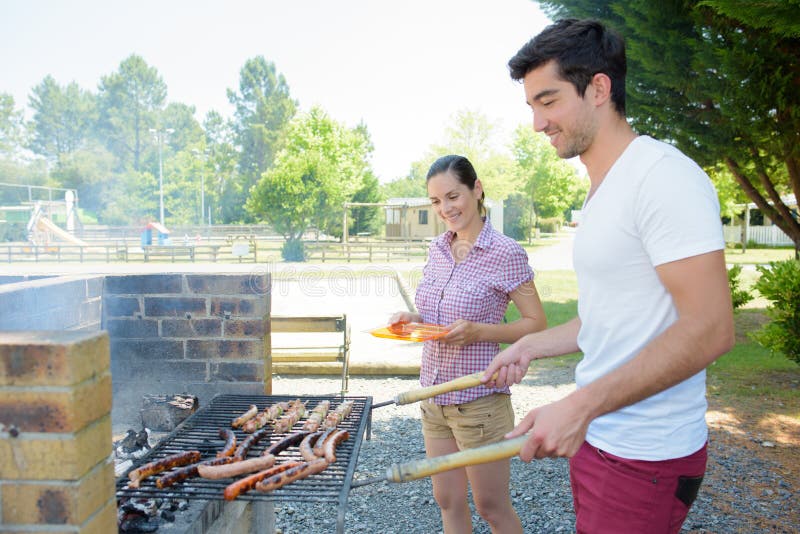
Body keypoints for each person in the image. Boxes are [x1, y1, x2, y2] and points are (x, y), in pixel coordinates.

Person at [480, 19, 735, 534]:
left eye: (548, 101)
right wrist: (532, 346)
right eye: (531, 106)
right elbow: (613, 316)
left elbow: (711, 326)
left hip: (644, 455)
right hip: (603, 438)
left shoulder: (662, 177)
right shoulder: (602, 193)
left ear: (599, 88)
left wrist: (578, 407)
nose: (537, 123)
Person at [390, 154, 547, 534]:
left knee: (491, 506)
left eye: (452, 196)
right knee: (447, 500)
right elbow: (438, 317)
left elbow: (536, 323)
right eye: (435, 201)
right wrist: (414, 321)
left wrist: (480, 331)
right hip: (434, 397)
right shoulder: (438, 249)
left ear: (476, 190)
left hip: (480, 403)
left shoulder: (506, 252)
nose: (445, 209)